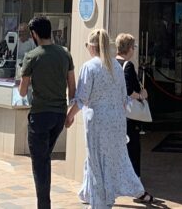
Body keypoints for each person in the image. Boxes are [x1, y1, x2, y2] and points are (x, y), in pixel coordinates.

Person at [65, 29, 155, 209]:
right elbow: (125, 98)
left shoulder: (90, 67)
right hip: (117, 120)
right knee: (115, 158)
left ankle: (100, 202)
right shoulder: (116, 67)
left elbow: (82, 98)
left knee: (96, 160)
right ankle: (93, 193)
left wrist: (69, 116)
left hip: (97, 120)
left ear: (91, 46)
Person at [19, 16, 76, 209]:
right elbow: (72, 87)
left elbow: (22, 90)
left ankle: (44, 205)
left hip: (40, 115)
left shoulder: (32, 56)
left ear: (34, 34)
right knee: (45, 158)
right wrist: (70, 114)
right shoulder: (65, 54)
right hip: (59, 116)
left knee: (40, 163)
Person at [114, 32, 151, 198]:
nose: (134, 50)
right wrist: (142, 95)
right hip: (128, 116)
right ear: (129, 48)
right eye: (134, 47)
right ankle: (135, 183)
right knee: (133, 148)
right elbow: (129, 90)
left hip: (114, 113)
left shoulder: (111, 63)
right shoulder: (127, 65)